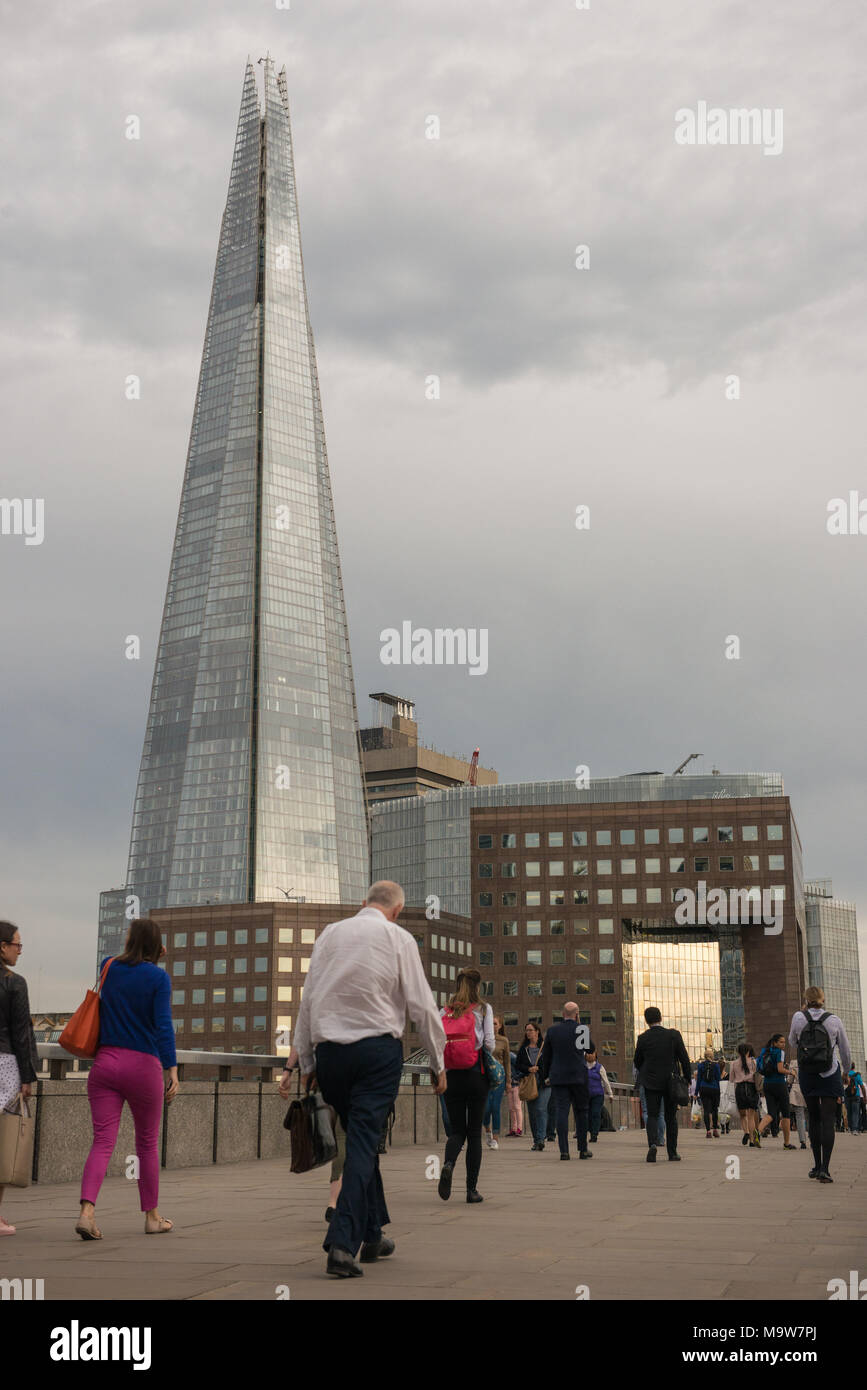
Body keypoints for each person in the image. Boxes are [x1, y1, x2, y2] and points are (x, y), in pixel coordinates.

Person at [293, 882, 445, 1276]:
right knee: (363, 1141)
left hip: (331, 1055)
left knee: (362, 1139)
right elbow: (422, 1006)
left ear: (364, 904)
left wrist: (307, 1062)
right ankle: (343, 1244)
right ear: (396, 910)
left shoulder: (330, 934)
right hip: (377, 1052)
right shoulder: (398, 937)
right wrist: (438, 1062)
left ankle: (374, 1234)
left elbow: (308, 999)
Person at [77, 918, 179, 1239]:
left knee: (103, 1141)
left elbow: (124, 966)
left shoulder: (108, 966)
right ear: (158, 947)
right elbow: (163, 1025)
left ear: (130, 940)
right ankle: (152, 1217)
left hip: (105, 1064)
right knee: (146, 1144)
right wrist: (172, 1069)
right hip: (143, 1067)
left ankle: (87, 1212)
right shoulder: (159, 978)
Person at [438, 967, 494, 1204]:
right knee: (474, 1134)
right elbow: (489, 1044)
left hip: (452, 1077)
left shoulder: (445, 1010)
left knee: (457, 1131)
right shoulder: (483, 1008)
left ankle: (449, 1163)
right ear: (477, 986)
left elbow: (438, 1041)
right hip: (476, 1076)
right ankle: (471, 1190)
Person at [789, 985, 852, 1184]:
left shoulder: (798, 1018)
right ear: (823, 1000)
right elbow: (845, 1050)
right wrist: (846, 1072)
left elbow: (792, 1042)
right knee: (828, 1120)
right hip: (829, 1073)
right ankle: (825, 1169)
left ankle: (816, 1166)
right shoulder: (834, 1020)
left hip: (807, 1074)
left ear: (806, 1000)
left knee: (813, 1118)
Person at [0, 922, 39, 1236]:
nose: (20, 950)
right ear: (2, 947)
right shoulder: (14, 983)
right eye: (16, 944)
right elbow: (21, 1033)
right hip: (5, 1066)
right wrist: (27, 1077)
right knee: (4, 1139)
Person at [633, 1006, 691, 1162]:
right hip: (670, 1082)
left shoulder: (643, 1038)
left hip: (651, 1082)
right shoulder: (673, 1035)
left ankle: (652, 1144)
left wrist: (647, 1072)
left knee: (652, 1115)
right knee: (670, 1117)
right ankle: (672, 1152)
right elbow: (684, 1059)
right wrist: (687, 1079)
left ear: (646, 1021)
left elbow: (637, 1061)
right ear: (660, 1018)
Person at [538, 1002, 595, 1160]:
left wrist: (546, 1076)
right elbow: (590, 1049)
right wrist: (581, 1025)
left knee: (561, 1111)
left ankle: (564, 1151)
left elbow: (547, 1056)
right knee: (582, 1112)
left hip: (559, 1077)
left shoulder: (553, 1030)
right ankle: (583, 1150)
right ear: (577, 1014)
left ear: (563, 1014)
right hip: (578, 1077)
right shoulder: (580, 1029)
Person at [756, 1033, 797, 1148]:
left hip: (767, 1084)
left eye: (784, 1042)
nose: (783, 1044)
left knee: (771, 1113)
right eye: (781, 1042)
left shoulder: (765, 1051)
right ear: (775, 1042)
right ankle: (787, 1143)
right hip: (779, 1084)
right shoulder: (780, 1052)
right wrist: (791, 1072)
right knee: (786, 1114)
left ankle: (758, 1131)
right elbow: (780, 1069)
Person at [515, 1022, 549, 1149]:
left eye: (530, 1030)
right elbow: (518, 1065)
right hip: (529, 1084)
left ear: (537, 1031)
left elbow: (551, 1062)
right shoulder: (524, 1049)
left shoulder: (545, 1047)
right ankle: (536, 1140)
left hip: (544, 1083)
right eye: (526, 1030)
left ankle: (541, 1139)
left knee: (541, 1109)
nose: (528, 1032)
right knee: (533, 1112)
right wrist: (529, 1069)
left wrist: (544, 1072)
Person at [483, 1015, 511, 1149]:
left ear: (500, 1026)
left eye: (495, 1023)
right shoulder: (483, 1039)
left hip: (500, 1077)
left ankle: (495, 1138)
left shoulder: (504, 1041)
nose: (493, 1026)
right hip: (485, 1078)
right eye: (491, 1023)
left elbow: (507, 1062)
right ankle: (487, 1130)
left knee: (495, 1107)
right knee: (486, 1108)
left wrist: (509, 1082)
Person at [729, 1043, 761, 1147]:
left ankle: (746, 1132)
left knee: (743, 1115)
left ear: (738, 1052)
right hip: (752, 1089)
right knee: (751, 1116)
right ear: (748, 1051)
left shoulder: (733, 1063)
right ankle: (752, 1140)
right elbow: (758, 1075)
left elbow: (731, 1079)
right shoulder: (753, 1061)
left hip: (740, 1089)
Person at [585, 1048, 614, 1142]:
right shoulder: (582, 1066)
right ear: (585, 1056)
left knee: (595, 1113)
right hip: (585, 1095)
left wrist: (610, 1094)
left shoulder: (600, 1067)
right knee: (587, 1114)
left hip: (598, 1095)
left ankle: (594, 1134)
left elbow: (606, 1081)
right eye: (588, 1054)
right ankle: (588, 1131)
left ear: (596, 1055)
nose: (590, 1055)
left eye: (592, 1053)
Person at [788, 1058, 808, 1149]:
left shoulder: (794, 1063)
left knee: (800, 1116)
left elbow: (790, 1080)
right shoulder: (813, 1061)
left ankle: (803, 1141)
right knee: (811, 1116)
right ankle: (813, 1139)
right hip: (810, 1089)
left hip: (797, 1089)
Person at [506, 1051, 522, 1136]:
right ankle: (514, 1129)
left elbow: (520, 1068)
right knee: (511, 1108)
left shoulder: (511, 1056)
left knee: (517, 1107)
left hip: (516, 1084)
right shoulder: (506, 1056)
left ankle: (519, 1128)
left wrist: (517, 1078)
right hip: (509, 1085)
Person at [845, 1067, 863, 1135]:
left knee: (849, 1112)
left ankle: (850, 1128)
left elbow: (843, 1085)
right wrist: (864, 1096)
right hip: (856, 1095)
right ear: (854, 1067)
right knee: (855, 1113)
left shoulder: (845, 1074)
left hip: (847, 1095)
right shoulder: (857, 1075)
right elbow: (862, 1086)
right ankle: (855, 1129)